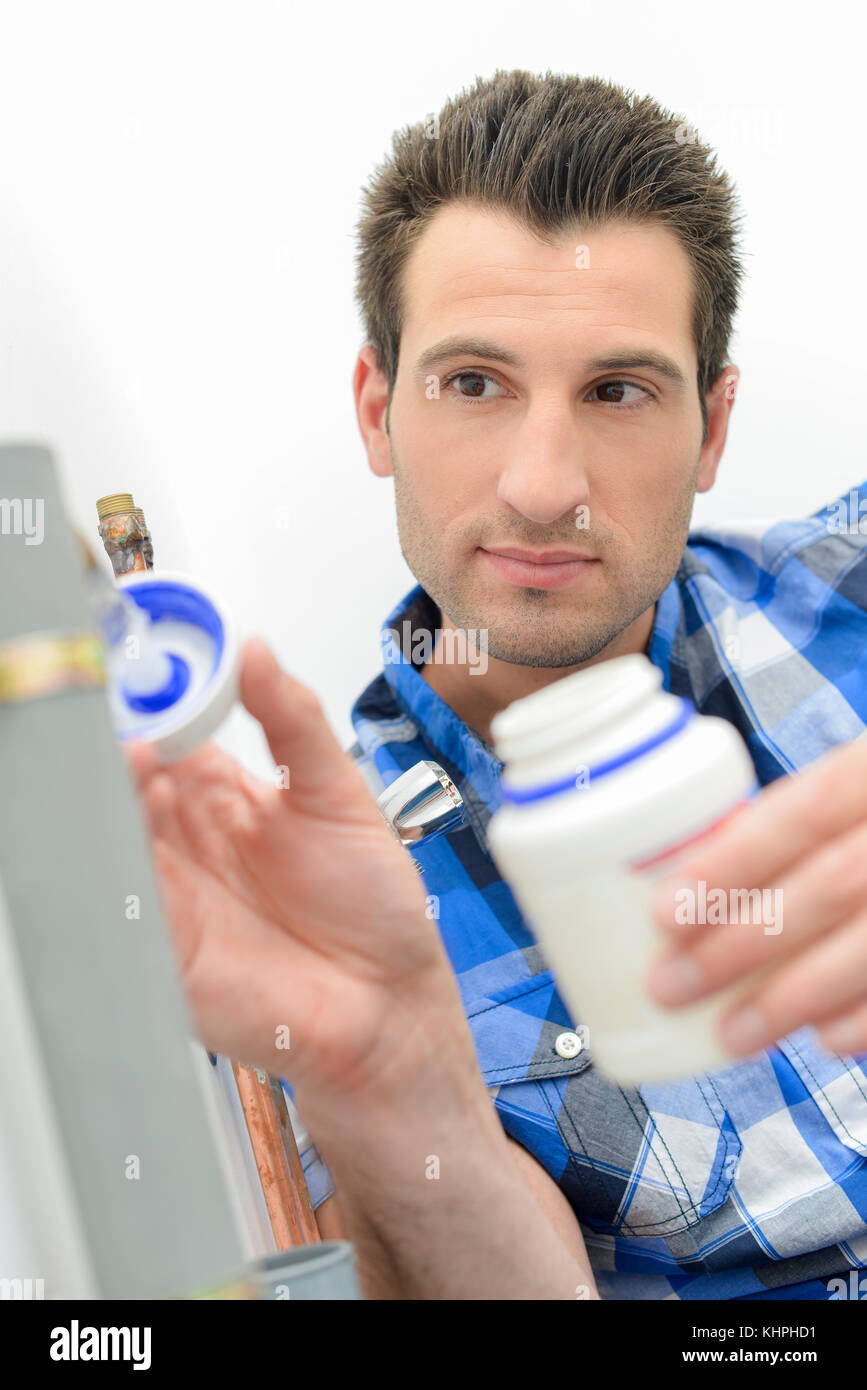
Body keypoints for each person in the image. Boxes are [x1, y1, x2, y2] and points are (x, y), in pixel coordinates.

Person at [127, 69, 867, 1300]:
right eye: (473, 383)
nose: (541, 483)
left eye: (617, 390)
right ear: (378, 410)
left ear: (714, 426)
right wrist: (393, 1090)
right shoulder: (328, 904)